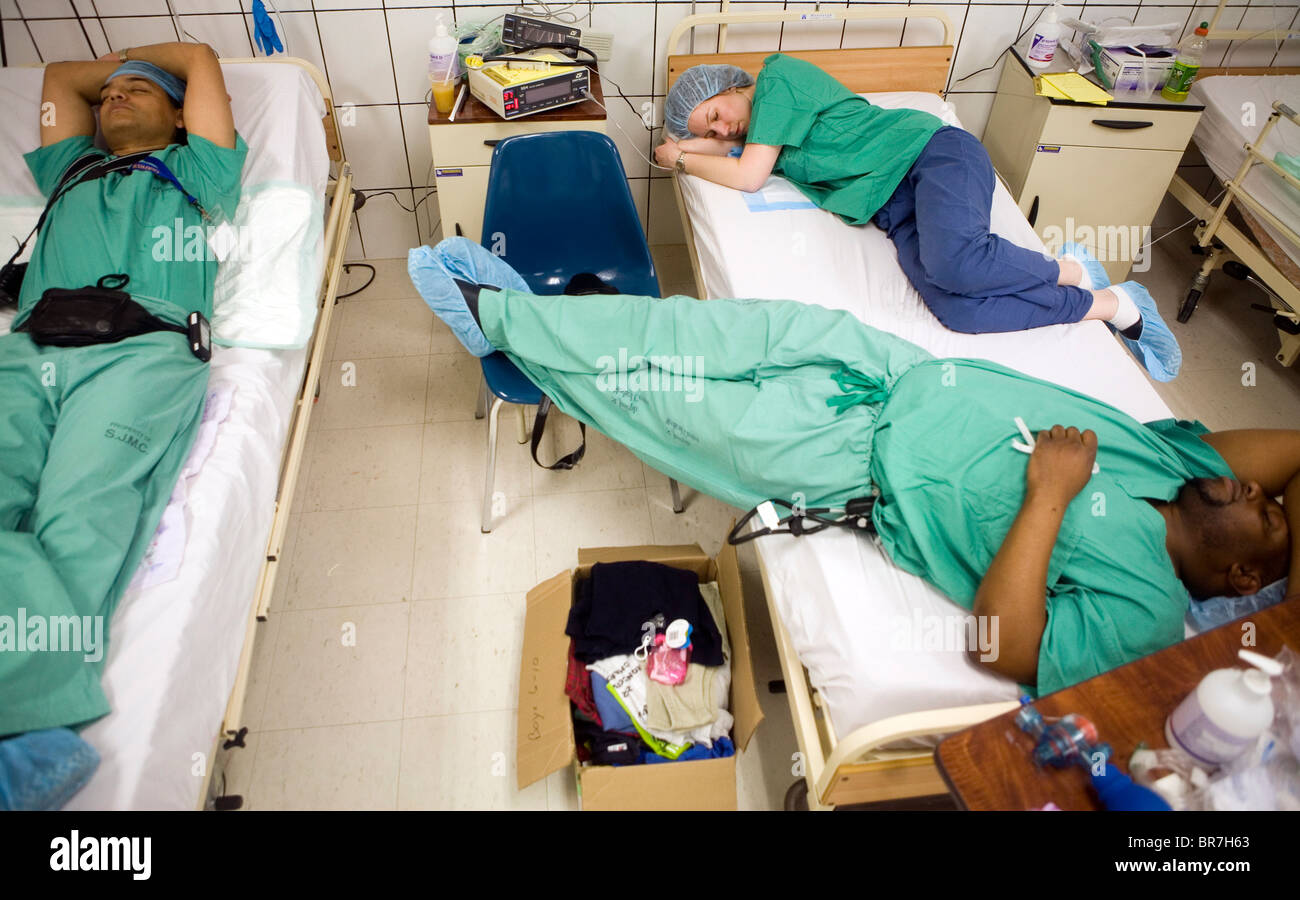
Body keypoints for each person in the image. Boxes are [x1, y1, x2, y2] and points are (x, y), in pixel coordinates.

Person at [410, 237, 1296, 696]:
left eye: (1271, 513)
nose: (1258, 490)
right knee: (679, 329)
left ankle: (514, 327)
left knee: (663, 397)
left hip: (852, 459)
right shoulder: (1176, 458)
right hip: (884, 364)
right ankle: (522, 326)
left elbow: (1002, 648)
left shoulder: (1145, 610)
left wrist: (1049, 499)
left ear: (1243, 573)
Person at [0, 41, 246, 809]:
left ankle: (28, 738)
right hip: (31, 346)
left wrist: (137, 63)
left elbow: (201, 57)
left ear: (180, 115)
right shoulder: (71, 165)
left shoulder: (199, 170)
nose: (113, 95)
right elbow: (54, 80)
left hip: (142, 348)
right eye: (107, 93)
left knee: (78, 513)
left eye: (139, 90)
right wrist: (118, 73)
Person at [652, 55, 1182, 381]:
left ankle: (1066, 269)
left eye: (719, 114)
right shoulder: (759, 135)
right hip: (893, 206)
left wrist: (677, 155)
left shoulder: (778, 79)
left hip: (931, 153)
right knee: (959, 312)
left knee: (957, 264)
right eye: (714, 130)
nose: (723, 131)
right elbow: (720, 147)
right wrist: (692, 137)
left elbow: (746, 176)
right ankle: (1105, 302)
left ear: (728, 84)